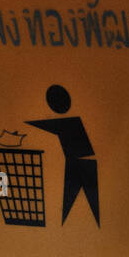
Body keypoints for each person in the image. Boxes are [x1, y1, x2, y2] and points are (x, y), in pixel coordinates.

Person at [27, 84, 100, 226]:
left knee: (85, 203)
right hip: (78, 163)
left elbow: (53, 125)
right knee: (73, 205)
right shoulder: (71, 122)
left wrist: (31, 123)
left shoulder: (71, 123)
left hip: (80, 164)